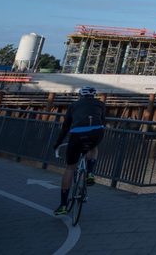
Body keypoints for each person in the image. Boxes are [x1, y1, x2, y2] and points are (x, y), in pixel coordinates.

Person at [53, 86, 106, 215]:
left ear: (80, 95)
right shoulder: (100, 104)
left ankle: (63, 205)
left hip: (77, 134)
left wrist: (58, 143)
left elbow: (66, 127)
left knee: (70, 168)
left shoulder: (74, 105)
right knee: (93, 148)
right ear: (93, 95)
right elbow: (103, 121)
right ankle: (90, 173)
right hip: (96, 132)